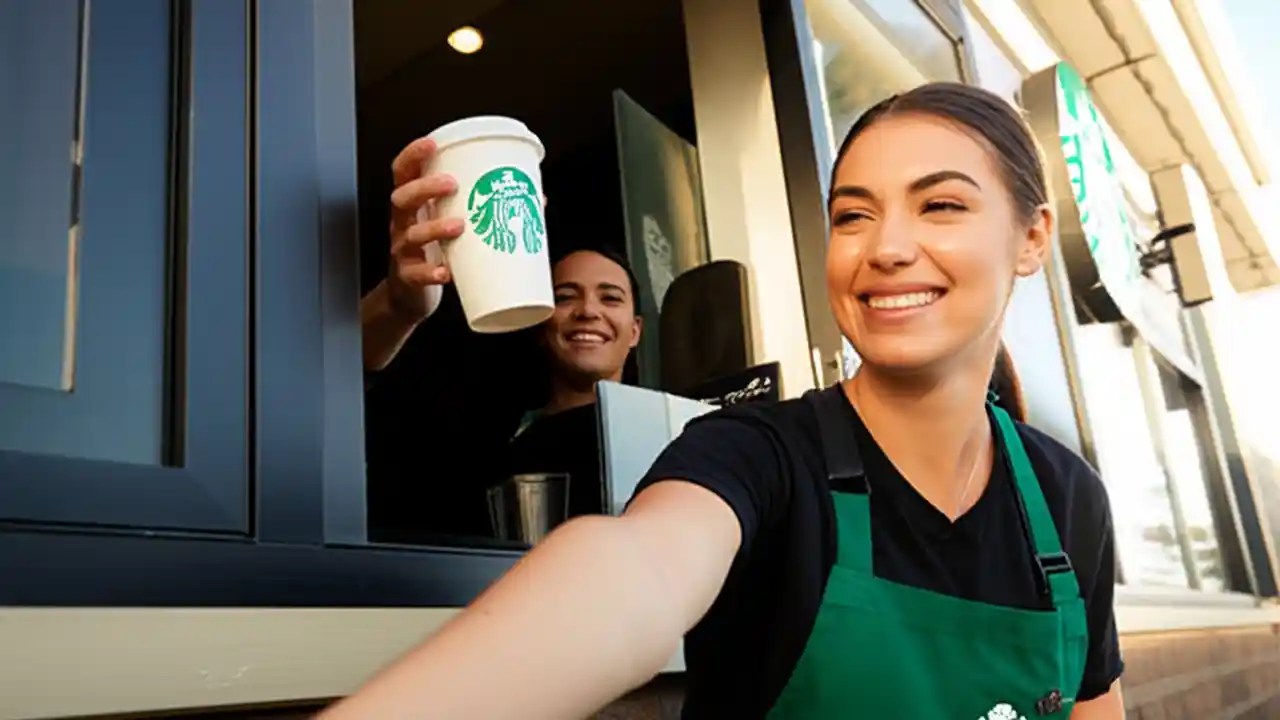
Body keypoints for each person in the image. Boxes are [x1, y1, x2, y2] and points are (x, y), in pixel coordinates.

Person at [322, 83, 1125, 719]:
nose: (885, 247)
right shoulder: (753, 455)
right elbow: (631, 573)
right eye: (852, 215)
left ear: (1031, 237)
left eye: (941, 204)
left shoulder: (1067, 500)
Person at [361, 136, 643, 531]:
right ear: (541, 322)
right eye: (565, 297)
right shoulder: (486, 444)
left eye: (610, 298)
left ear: (635, 331)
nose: (588, 311)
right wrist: (397, 304)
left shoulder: (671, 439)